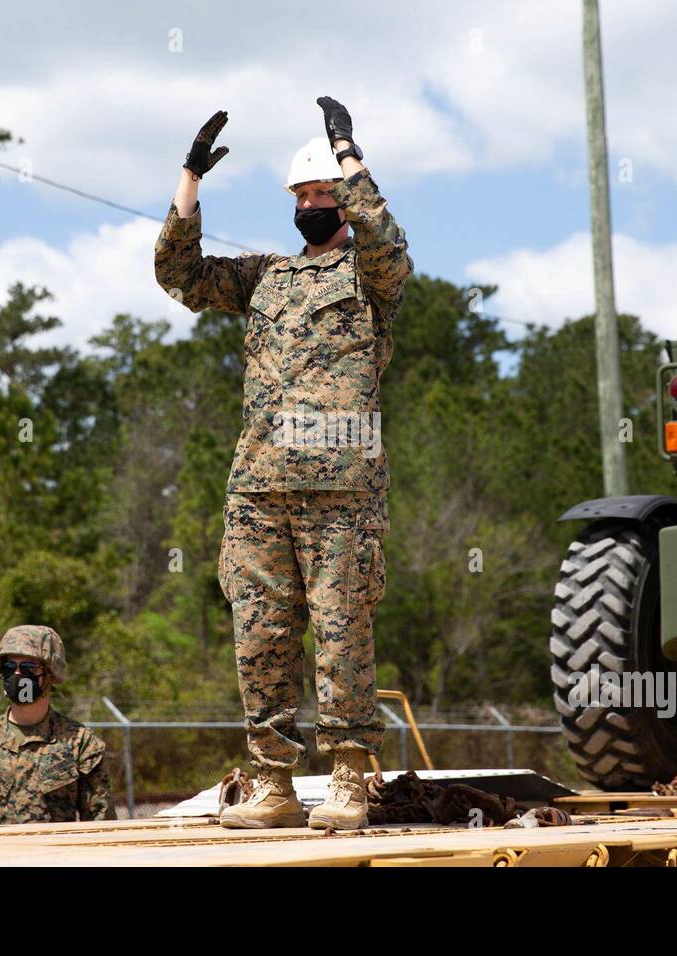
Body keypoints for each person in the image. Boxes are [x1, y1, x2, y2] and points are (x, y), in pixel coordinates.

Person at [155, 96, 413, 830]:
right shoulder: (266, 276)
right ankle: (271, 783)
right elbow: (178, 273)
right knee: (261, 634)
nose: (309, 204)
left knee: (341, 634)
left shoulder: (372, 278)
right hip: (260, 488)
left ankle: (350, 781)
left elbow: (386, 239)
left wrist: (348, 154)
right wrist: (190, 177)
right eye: (300, 195)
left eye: (320, 193)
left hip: (342, 492)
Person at [0, 625, 113, 826]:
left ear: (50, 674)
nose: (17, 675)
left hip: (56, 856)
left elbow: (102, 828)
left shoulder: (81, 744)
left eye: (28, 668)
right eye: (9, 668)